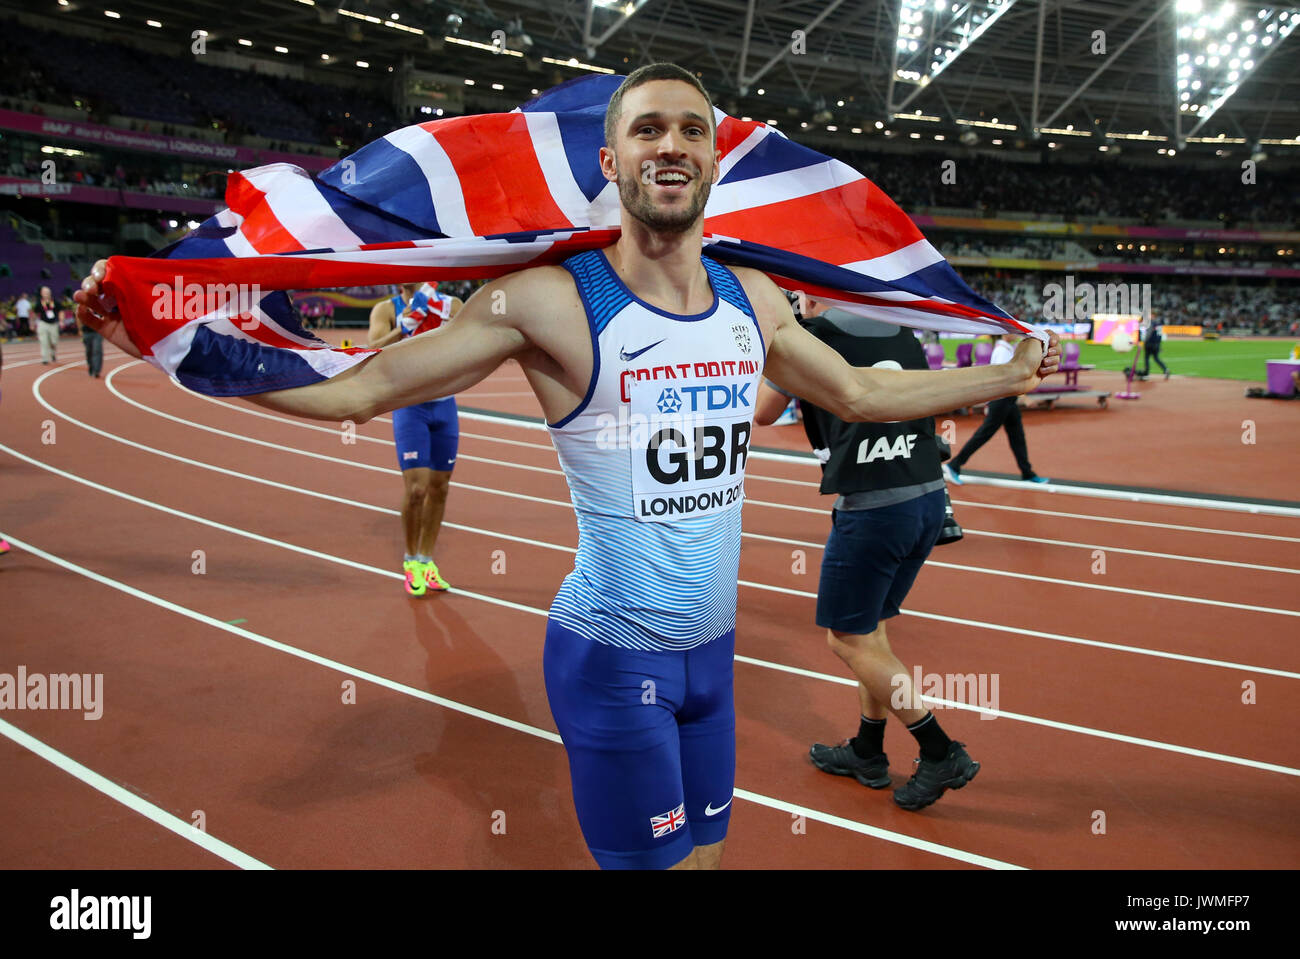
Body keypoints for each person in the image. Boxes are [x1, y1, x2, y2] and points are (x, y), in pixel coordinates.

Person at [76, 62, 1060, 870]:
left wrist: (1003, 372)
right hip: (609, 660)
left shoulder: (752, 297)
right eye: (647, 130)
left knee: (705, 863)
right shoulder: (548, 299)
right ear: (610, 158)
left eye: (689, 129)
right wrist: (153, 342)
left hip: (711, 663)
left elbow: (859, 393)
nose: (669, 145)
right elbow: (361, 389)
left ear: (715, 158)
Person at [755, 294, 976, 810]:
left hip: (874, 509)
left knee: (848, 641)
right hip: (925, 498)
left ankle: (939, 750)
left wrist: (779, 340)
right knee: (873, 631)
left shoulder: (809, 340)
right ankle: (868, 750)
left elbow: (764, 413)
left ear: (807, 293)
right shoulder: (903, 333)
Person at [367, 281, 464, 596]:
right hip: (410, 407)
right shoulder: (386, 309)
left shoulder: (452, 305)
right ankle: (411, 562)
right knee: (417, 488)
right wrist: (404, 325)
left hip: (444, 404)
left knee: (441, 486)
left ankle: (427, 559)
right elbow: (371, 351)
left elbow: (467, 345)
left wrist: (441, 324)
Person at [944, 334, 1050, 485]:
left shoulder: (1006, 349)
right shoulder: (1002, 351)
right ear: (1005, 334)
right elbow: (1005, 379)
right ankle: (953, 465)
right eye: (1013, 331)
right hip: (1001, 401)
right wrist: (1024, 397)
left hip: (1008, 400)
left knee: (1017, 437)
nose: (1017, 334)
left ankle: (1027, 472)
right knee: (984, 434)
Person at [76, 299, 104, 378]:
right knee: (89, 351)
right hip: (86, 332)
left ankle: (97, 371)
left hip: (97, 332)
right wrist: (80, 329)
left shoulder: (100, 305)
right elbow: (78, 316)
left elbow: (105, 315)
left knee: (97, 350)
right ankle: (91, 366)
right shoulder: (83, 305)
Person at [33, 286, 60, 364]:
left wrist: (61, 321)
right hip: (43, 323)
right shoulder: (39, 303)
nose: (46, 294)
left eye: (47, 292)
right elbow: (35, 313)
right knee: (43, 341)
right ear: (41, 293)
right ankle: (45, 358)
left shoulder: (55, 301)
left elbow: (61, 311)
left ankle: (53, 353)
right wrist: (32, 323)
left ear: (50, 293)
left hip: (53, 324)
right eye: (45, 292)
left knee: (54, 342)